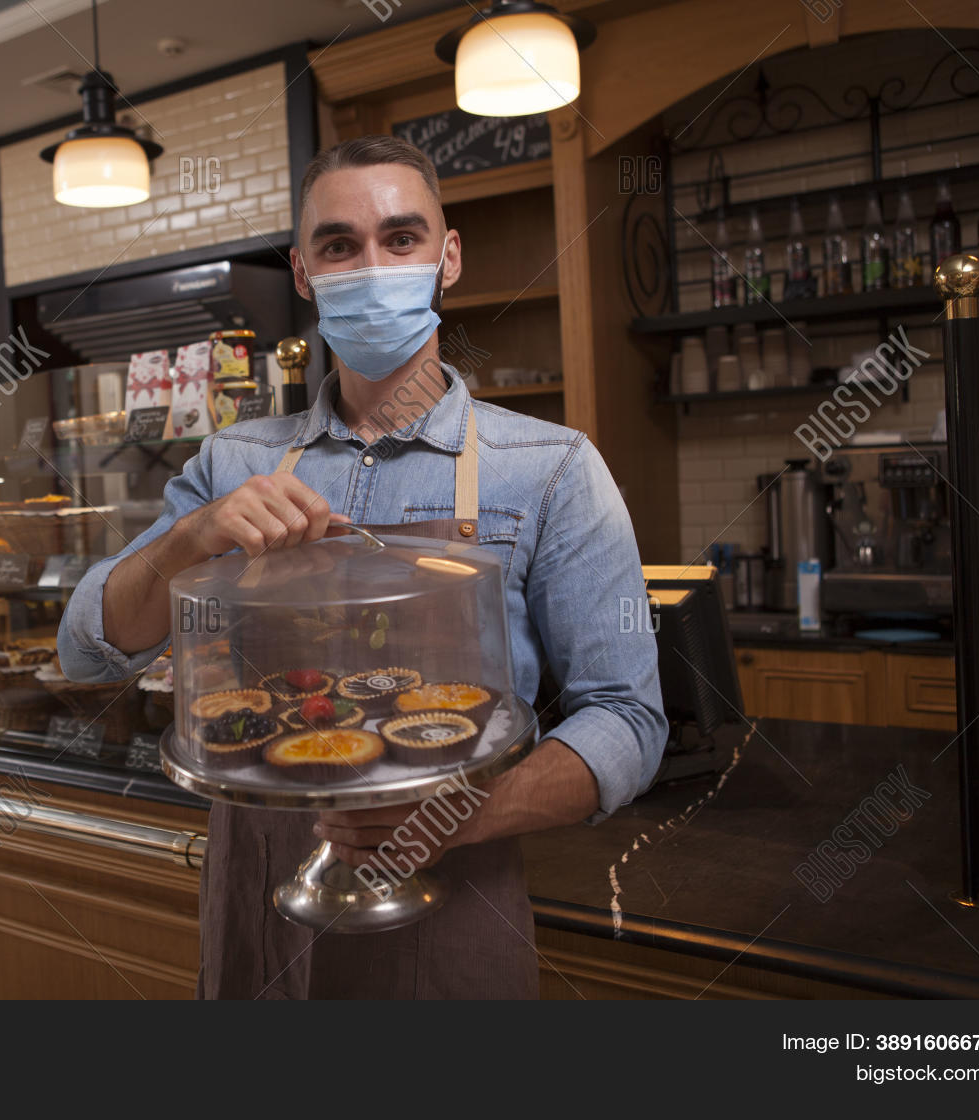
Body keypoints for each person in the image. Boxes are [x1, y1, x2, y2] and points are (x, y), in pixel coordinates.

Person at [59, 135, 667, 999]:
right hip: (258, 892)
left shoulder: (553, 468)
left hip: (455, 891)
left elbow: (628, 720)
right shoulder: (233, 462)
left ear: (447, 259)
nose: (371, 265)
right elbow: (88, 649)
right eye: (339, 245)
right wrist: (195, 537)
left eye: (402, 238)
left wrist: (451, 819)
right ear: (304, 273)